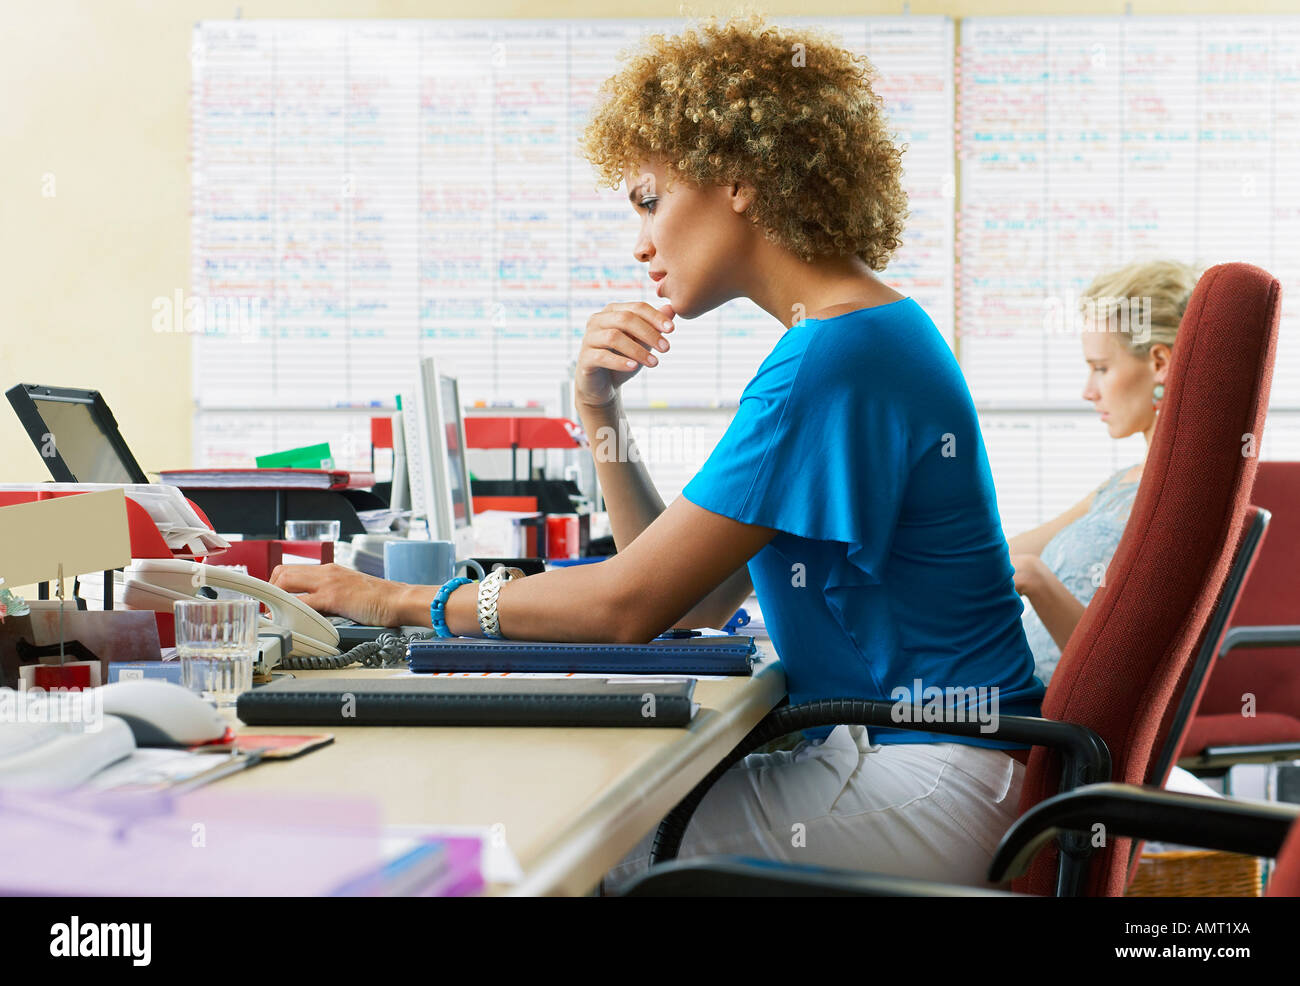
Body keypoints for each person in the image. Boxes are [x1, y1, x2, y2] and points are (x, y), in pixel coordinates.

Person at [271, 13, 1044, 890]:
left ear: (741, 182)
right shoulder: (859, 337)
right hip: (943, 766)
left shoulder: (833, 358)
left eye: (650, 200)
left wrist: (386, 598)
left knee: (557, 845)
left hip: (927, 778)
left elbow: (626, 607)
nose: (639, 241)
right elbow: (693, 597)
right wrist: (596, 407)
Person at [1006, 260, 1218, 798]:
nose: (1087, 390)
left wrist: (1035, 578)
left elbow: (1122, 677)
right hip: (1014, 711)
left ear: (1160, 361)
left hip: (1042, 738)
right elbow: (1003, 551)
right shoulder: (1128, 482)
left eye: (1100, 368)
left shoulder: (1178, 497)